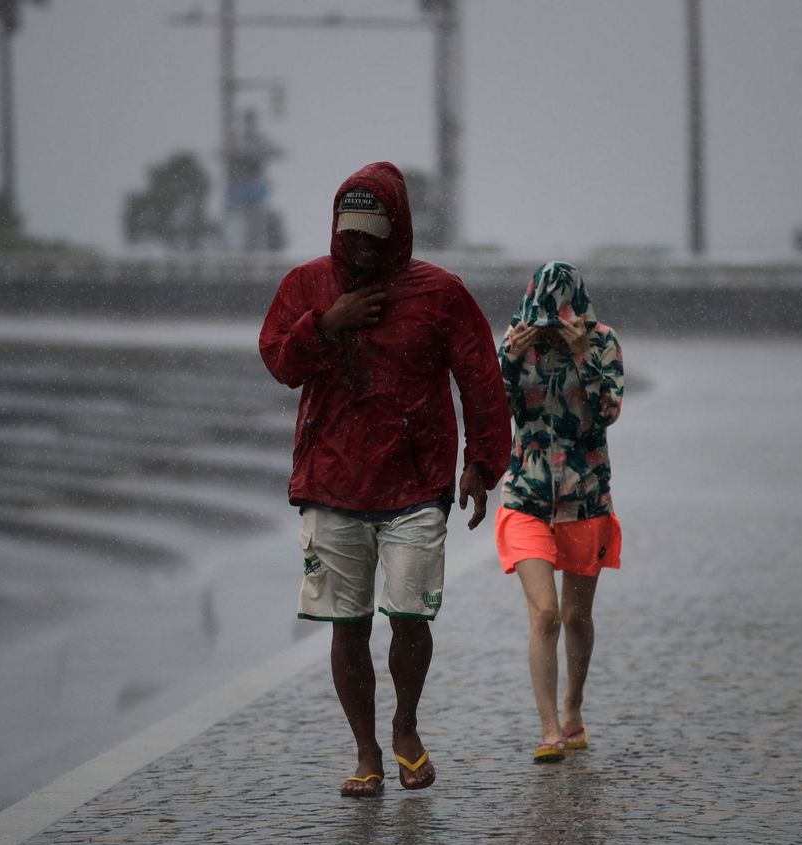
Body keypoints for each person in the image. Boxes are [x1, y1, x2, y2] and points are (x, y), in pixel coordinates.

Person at [259, 162, 511, 797]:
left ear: (397, 230)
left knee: (409, 616)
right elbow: (281, 364)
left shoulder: (441, 293)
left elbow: (480, 379)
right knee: (348, 624)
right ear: (336, 229)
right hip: (331, 482)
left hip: (415, 483)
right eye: (351, 234)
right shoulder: (306, 285)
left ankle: (405, 726)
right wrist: (327, 323)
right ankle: (366, 750)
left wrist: (481, 464)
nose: (360, 246)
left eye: (374, 234)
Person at [494, 261, 625, 764]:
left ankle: (573, 709)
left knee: (576, 615)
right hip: (525, 495)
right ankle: (549, 728)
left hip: (585, 496)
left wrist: (580, 354)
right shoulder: (517, 339)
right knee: (545, 614)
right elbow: (498, 410)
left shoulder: (603, 341)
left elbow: (608, 412)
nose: (548, 327)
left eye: (558, 317)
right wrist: (509, 361)